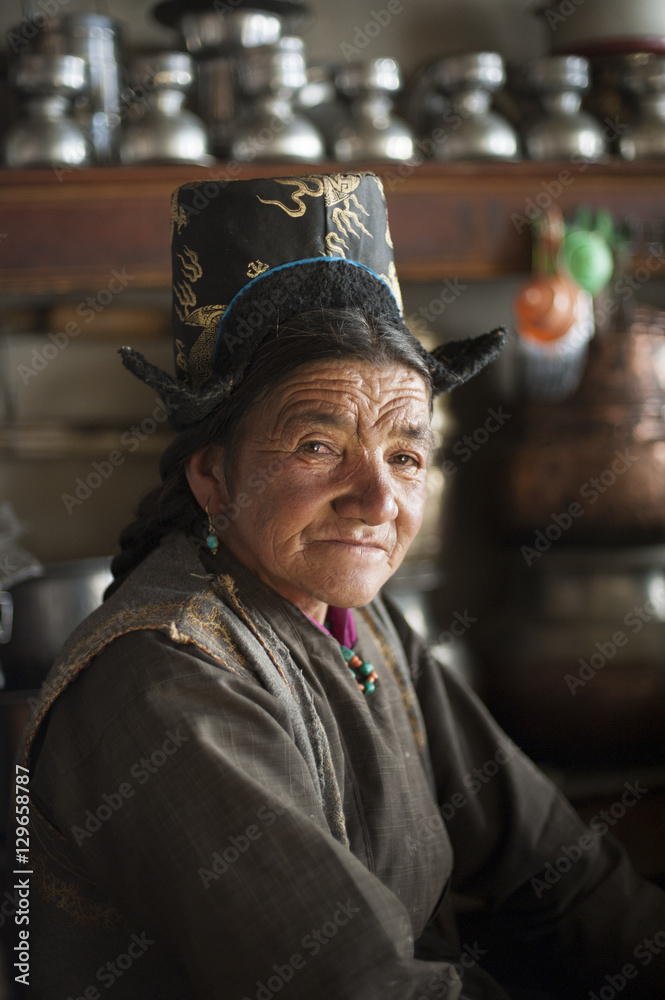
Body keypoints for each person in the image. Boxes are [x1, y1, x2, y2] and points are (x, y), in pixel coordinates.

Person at [18, 173, 665, 1000]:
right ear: (213, 476)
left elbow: (558, 870)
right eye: (319, 446)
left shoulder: (362, 620)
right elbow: (355, 987)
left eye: (404, 454)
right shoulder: (165, 683)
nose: (376, 501)